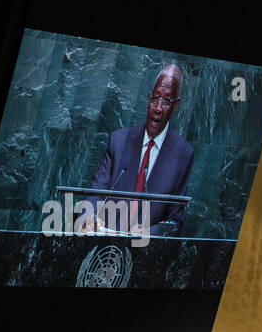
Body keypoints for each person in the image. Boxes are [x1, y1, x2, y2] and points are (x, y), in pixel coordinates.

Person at [83, 65, 194, 237]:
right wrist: (90, 218)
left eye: (166, 102)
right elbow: (95, 193)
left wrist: (149, 233)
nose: (157, 108)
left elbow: (175, 221)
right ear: (148, 99)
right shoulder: (118, 141)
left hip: (144, 252)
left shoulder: (183, 154)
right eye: (155, 99)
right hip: (104, 245)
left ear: (175, 105)